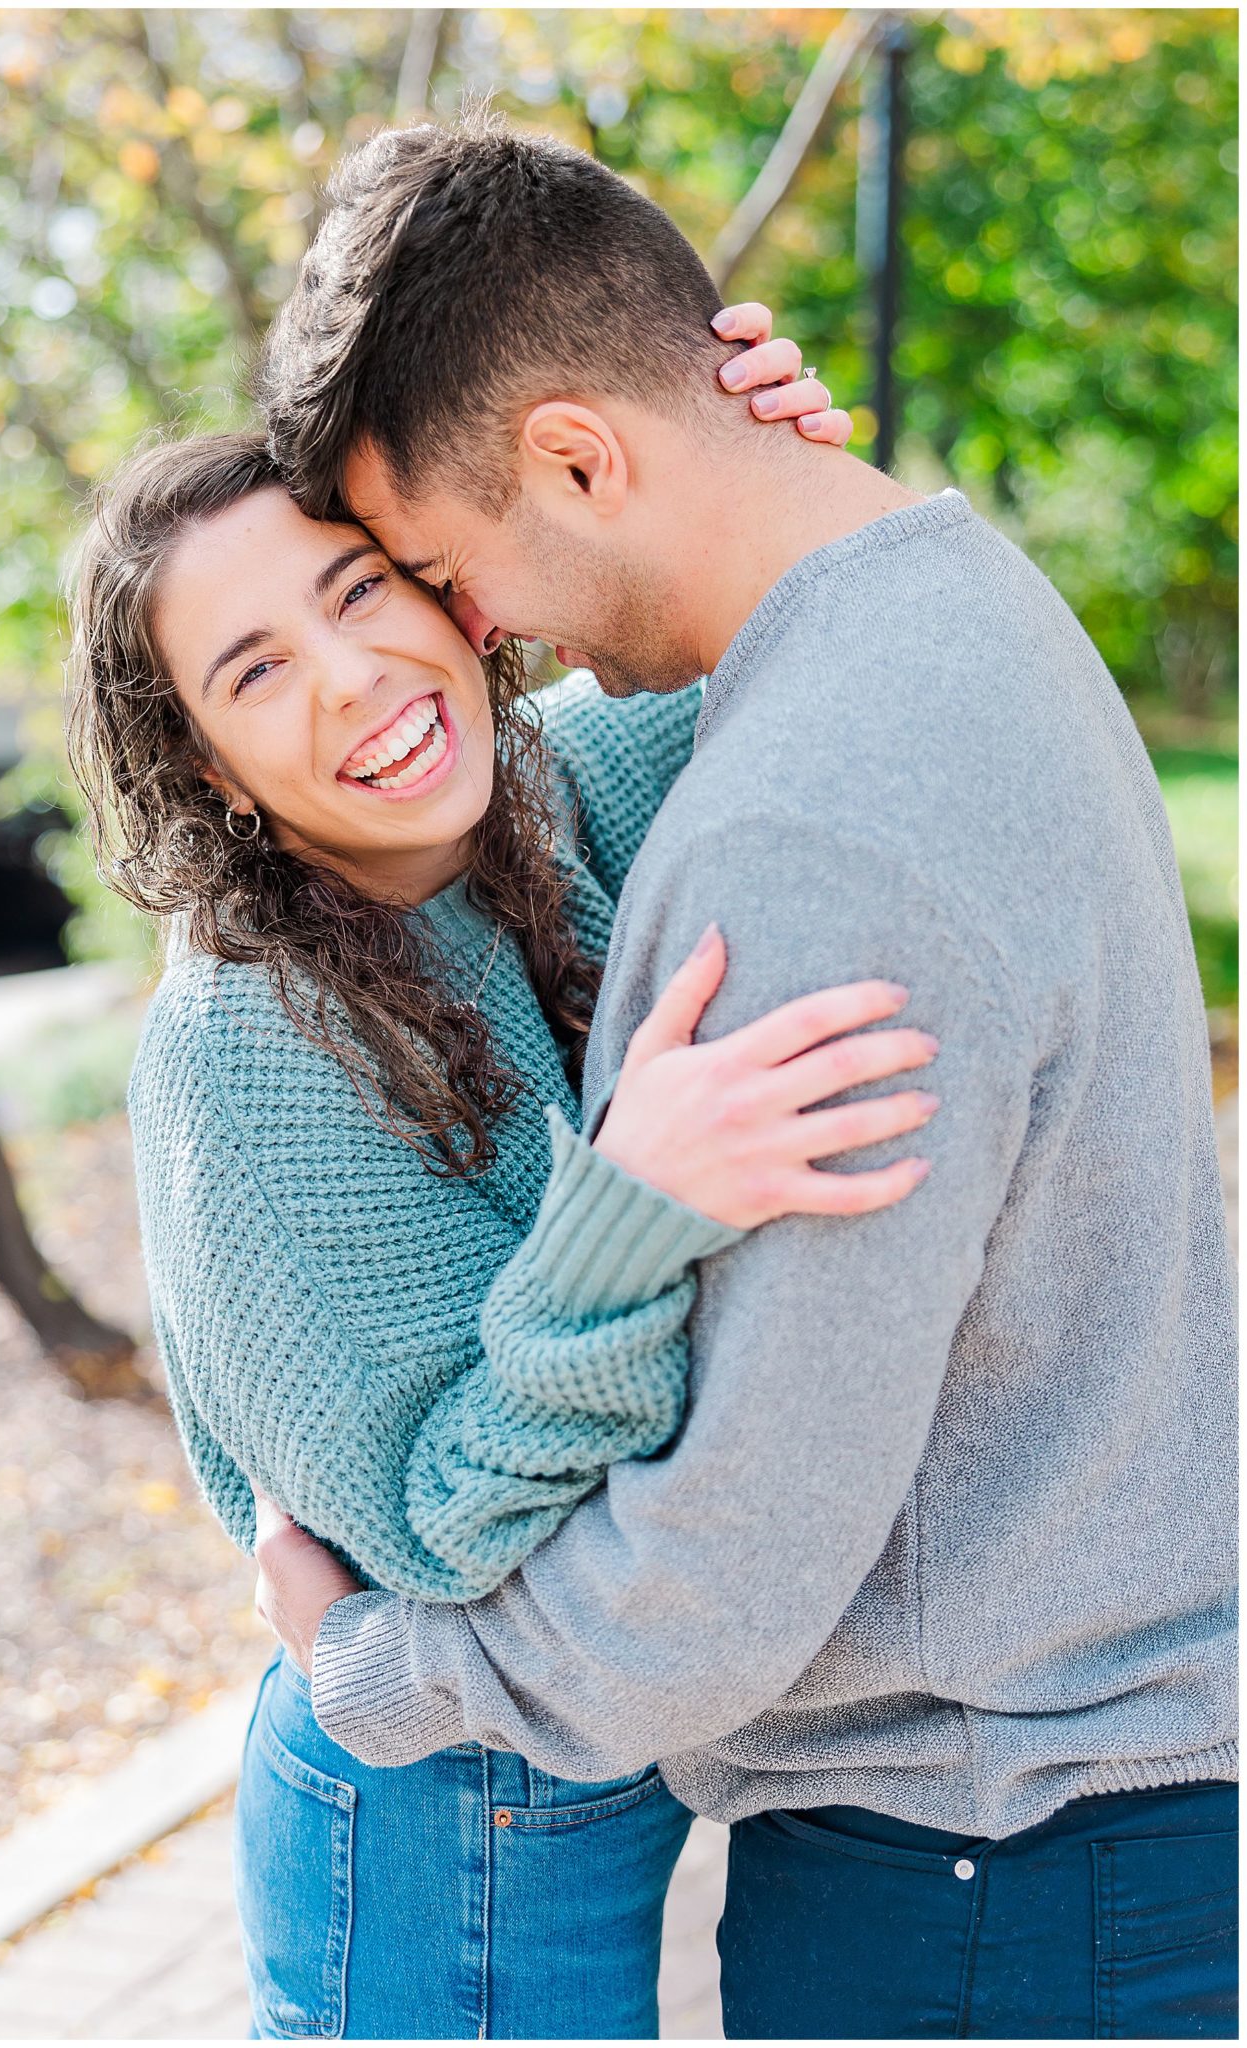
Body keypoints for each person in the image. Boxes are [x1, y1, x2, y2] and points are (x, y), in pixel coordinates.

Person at [252, 114, 1239, 2039]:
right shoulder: (950, 599)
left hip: (973, 1883)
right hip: (1084, 1830)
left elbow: (728, 1565)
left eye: (453, 572)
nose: (482, 642)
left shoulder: (803, 838)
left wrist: (373, 1672)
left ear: (580, 456)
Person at [66, 333, 939, 2040]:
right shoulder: (246, 1048)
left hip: (599, 1736)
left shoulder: (548, 790)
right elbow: (434, 1532)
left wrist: (770, 461)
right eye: (254, 671)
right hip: (434, 1799)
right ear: (209, 778)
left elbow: (818, 640)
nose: (351, 675)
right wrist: (634, 1205)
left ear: (450, 587)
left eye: (359, 589)